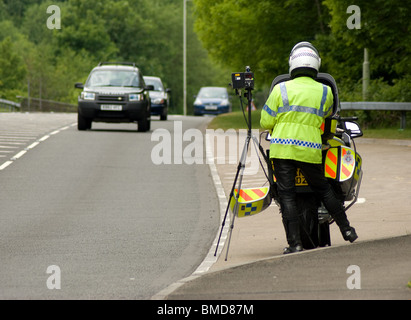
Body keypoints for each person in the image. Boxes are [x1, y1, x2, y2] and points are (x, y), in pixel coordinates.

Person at [260, 41, 358, 254]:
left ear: (292, 64)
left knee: (287, 196)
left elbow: (266, 123)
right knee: (323, 189)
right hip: (309, 150)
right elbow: (326, 116)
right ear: (316, 64)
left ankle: (294, 244)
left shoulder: (279, 89)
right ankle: (347, 230)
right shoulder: (325, 91)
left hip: (282, 151)